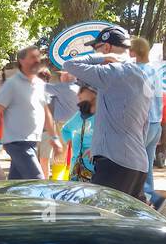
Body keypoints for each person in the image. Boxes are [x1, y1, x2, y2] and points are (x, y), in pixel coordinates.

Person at [62, 25, 152, 201]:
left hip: (114, 163)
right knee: (129, 223)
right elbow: (145, 125)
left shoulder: (113, 72)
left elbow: (69, 65)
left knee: (100, 220)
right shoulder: (143, 77)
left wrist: (101, 58)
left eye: (97, 49)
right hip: (138, 162)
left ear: (106, 47)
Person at [0, 46, 53, 180]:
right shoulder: (12, 84)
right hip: (17, 143)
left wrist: (55, 138)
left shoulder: (40, 84)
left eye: (38, 57)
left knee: (16, 185)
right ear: (22, 61)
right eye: (32, 57)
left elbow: (46, 112)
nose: (37, 60)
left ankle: (4, 200)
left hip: (32, 141)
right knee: (37, 181)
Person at [130, 37, 166, 210]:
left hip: (143, 123)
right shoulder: (155, 71)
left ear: (133, 52)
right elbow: (160, 99)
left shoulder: (135, 71)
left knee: (135, 164)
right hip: (155, 123)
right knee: (147, 164)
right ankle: (152, 197)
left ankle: (144, 201)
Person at [59, 86, 98, 181]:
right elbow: (66, 130)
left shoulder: (103, 116)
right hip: (78, 165)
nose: (79, 102)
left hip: (95, 165)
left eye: (81, 98)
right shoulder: (80, 116)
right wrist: (69, 141)